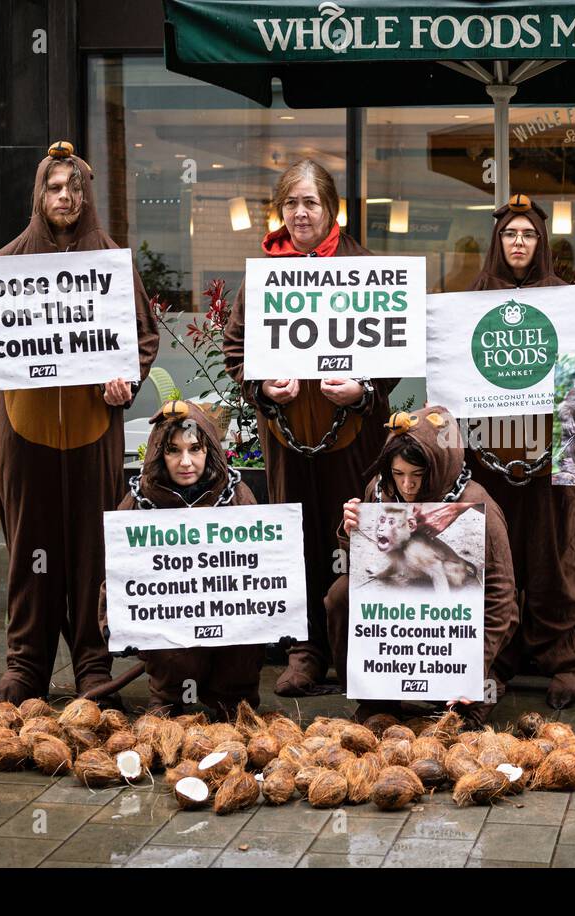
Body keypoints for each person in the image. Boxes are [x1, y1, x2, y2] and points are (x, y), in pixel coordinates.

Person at [0, 142, 159, 708]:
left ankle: (91, 666)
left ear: (87, 195)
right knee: (29, 545)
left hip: (91, 433)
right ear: (40, 194)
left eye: (75, 188)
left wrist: (125, 378)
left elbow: (142, 337)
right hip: (24, 431)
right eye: (55, 188)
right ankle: (25, 665)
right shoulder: (5, 264)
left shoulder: (112, 260)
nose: (66, 197)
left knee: (90, 548)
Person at [222, 159, 397, 696]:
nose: (301, 213)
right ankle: (305, 652)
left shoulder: (364, 268)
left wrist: (364, 389)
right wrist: (260, 387)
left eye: (311, 203)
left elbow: (392, 348)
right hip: (286, 437)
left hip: (352, 436)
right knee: (297, 541)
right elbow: (235, 348)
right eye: (291, 203)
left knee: (355, 535)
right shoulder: (263, 275)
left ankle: (360, 650)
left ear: (331, 209)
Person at [463, 194, 575, 709]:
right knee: (496, 557)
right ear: (499, 241)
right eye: (510, 234)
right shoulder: (472, 300)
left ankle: (565, 662)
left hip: (551, 453)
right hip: (489, 453)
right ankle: (496, 659)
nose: (519, 242)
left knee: (554, 557)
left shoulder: (564, 299)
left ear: (541, 243)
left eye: (528, 234)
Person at [324, 406, 518, 726]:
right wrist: (350, 534)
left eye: (417, 475)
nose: (407, 486)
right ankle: (376, 699)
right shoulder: (378, 489)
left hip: (458, 608)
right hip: (408, 601)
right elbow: (360, 570)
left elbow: (500, 594)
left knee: (461, 713)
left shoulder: (478, 502)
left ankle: (480, 688)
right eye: (399, 474)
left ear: (438, 465)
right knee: (340, 595)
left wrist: (474, 667)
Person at [97, 401, 265, 717]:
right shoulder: (137, 503)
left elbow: (266, 567)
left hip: (226, 615)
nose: (185, 462)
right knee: (173, 650)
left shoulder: (237, 495)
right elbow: (120, 572)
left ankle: (233, 701)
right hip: (170, 622)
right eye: (174, 451)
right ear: (160, 453)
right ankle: (170, 697)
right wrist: (114, 621)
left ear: (209, 451)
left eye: (195, 449)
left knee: (244, 641)